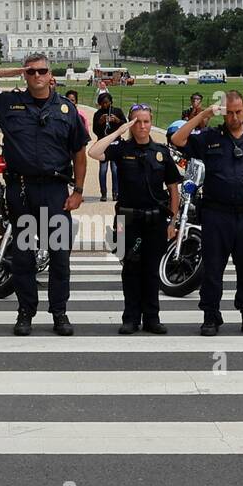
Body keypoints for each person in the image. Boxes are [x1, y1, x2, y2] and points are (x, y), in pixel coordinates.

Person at [0, 54, 89, 336]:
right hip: (22, 190)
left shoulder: (66, 110)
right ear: (24, 74)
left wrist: (78, 190)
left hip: (55, 191)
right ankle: (25, 312)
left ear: (50, 73)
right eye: (31, 72)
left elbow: (79, 152)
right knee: (23, 257)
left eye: (42, 71)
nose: (37, 76)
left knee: (59, 256)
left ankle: (59, 313)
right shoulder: (9, 103)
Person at [172, 89, 243, 335]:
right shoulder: (210, 137)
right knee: (212, 268)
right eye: (229, 113)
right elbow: (178, 139)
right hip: (216, 214)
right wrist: (205, 114)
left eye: (238, 112)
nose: (233, 117)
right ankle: (211, 314)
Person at [89, 103, 181, 334]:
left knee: (151, 270)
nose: (142, 126)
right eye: (137, 121)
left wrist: (173, 222)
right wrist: (119, 131)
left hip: (155, 220)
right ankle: (130, 317)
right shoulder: (121, 148)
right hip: (127, 221)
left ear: (151, 123)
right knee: (130, 269)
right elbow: (94, 152)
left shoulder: (161, 152)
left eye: (146, 121)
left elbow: (173, 189)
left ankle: (152, 317)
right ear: (131, 123)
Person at [92, 92, 125, 200]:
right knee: (103, 170)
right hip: (103, 145)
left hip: (115, 144)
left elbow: (124, 125)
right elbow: (95, 130)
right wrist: (100, 122)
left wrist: (117, 120)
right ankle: (104, 193)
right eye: (102, 103)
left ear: (111, 102)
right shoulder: (98, 114)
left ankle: (116, 193)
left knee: (115, 170)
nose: (105, 105)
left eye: (106, 103)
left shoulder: (117, 111)